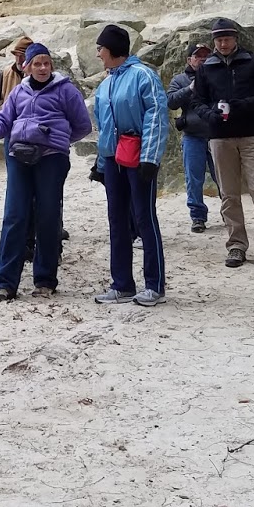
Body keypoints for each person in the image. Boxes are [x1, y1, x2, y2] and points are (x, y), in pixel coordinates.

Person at [0, 43, 91, 302]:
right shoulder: (18, 91)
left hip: (51, 159)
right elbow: (4, 120)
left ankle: (45, 279)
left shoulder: (66, 91)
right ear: (26, 66)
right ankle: (5, 282)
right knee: (15, 216)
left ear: (51, 66)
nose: (42, 68)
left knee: (47, 217)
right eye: (37, 63)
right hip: (19, 156)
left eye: (46, 63)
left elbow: (83, 125)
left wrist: (58, 141)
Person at [91, 25, 172, 306]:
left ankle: (155, 285)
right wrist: (101, 164)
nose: (98, 54)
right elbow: (104, 128)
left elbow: (156, 117)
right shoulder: (106, 83)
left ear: (112, 49)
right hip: (115, 159)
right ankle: (122, 284)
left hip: (139, 157)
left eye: (100, 48)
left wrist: (150, 158)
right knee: (118, 221)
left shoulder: (144, 76)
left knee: (144, 218)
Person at [193, 18, 254, 269]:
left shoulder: (253, 62)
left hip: (253, 134)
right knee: (229, 194)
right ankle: (236, 245)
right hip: (220, 137)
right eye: (219, 39)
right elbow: (197, 101)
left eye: (227, 38)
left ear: (235, 39)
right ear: (214, 41)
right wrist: (209, 114)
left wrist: (246, 104)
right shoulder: (205, 68)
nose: (223, 43)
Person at [166, 42, 216, 232]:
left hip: (217, 135)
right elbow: (170, 101)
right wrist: (190, 89)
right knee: (193, 179)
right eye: (198, 56)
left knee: (223, 178)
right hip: (192, 135)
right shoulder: (180, 80)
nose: (202, 59)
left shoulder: (217, 75)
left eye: (206, 55)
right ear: (189, 60)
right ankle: (197, 217)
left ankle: (229, 215)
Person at [0, 36, 32, 110]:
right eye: (16, 55)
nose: (19, 60)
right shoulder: (6, 73)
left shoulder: (37, 76)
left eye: (22, 56)